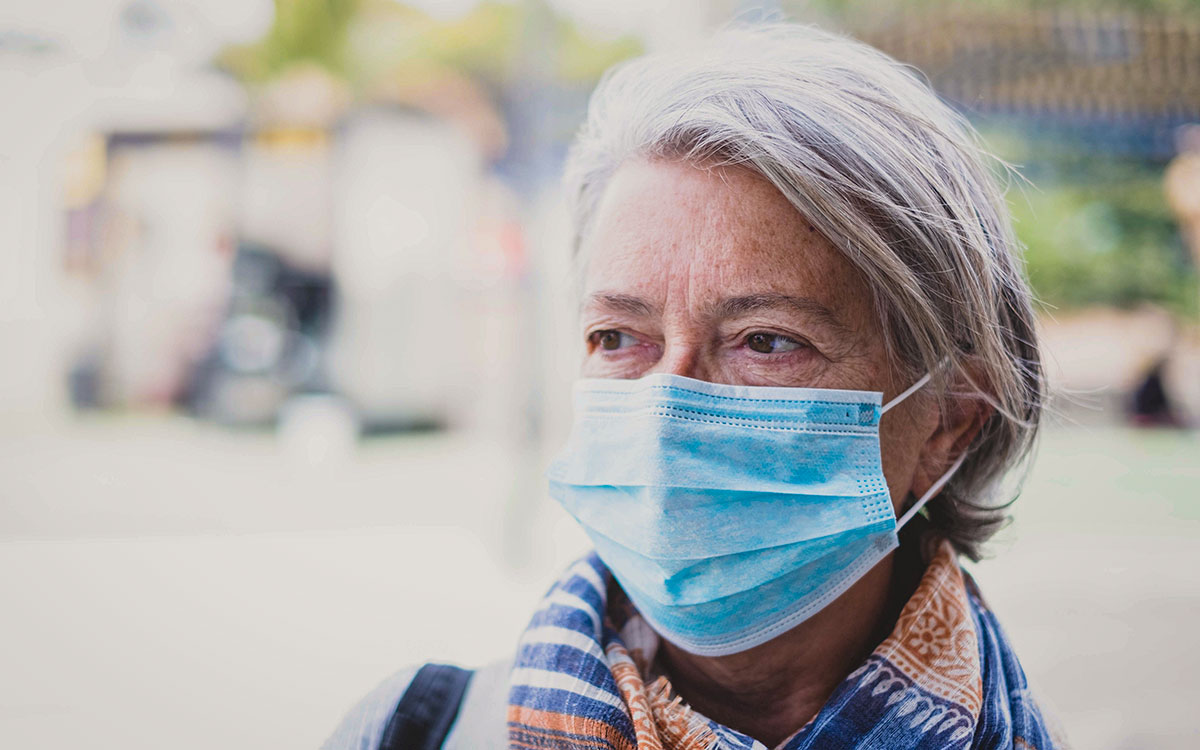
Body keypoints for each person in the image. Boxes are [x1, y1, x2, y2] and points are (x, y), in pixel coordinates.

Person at [324, 23, 1066, 750]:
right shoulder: (409, 733)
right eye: (617, 337)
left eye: (766, 341)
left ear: (950, 419)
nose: (662, 412)